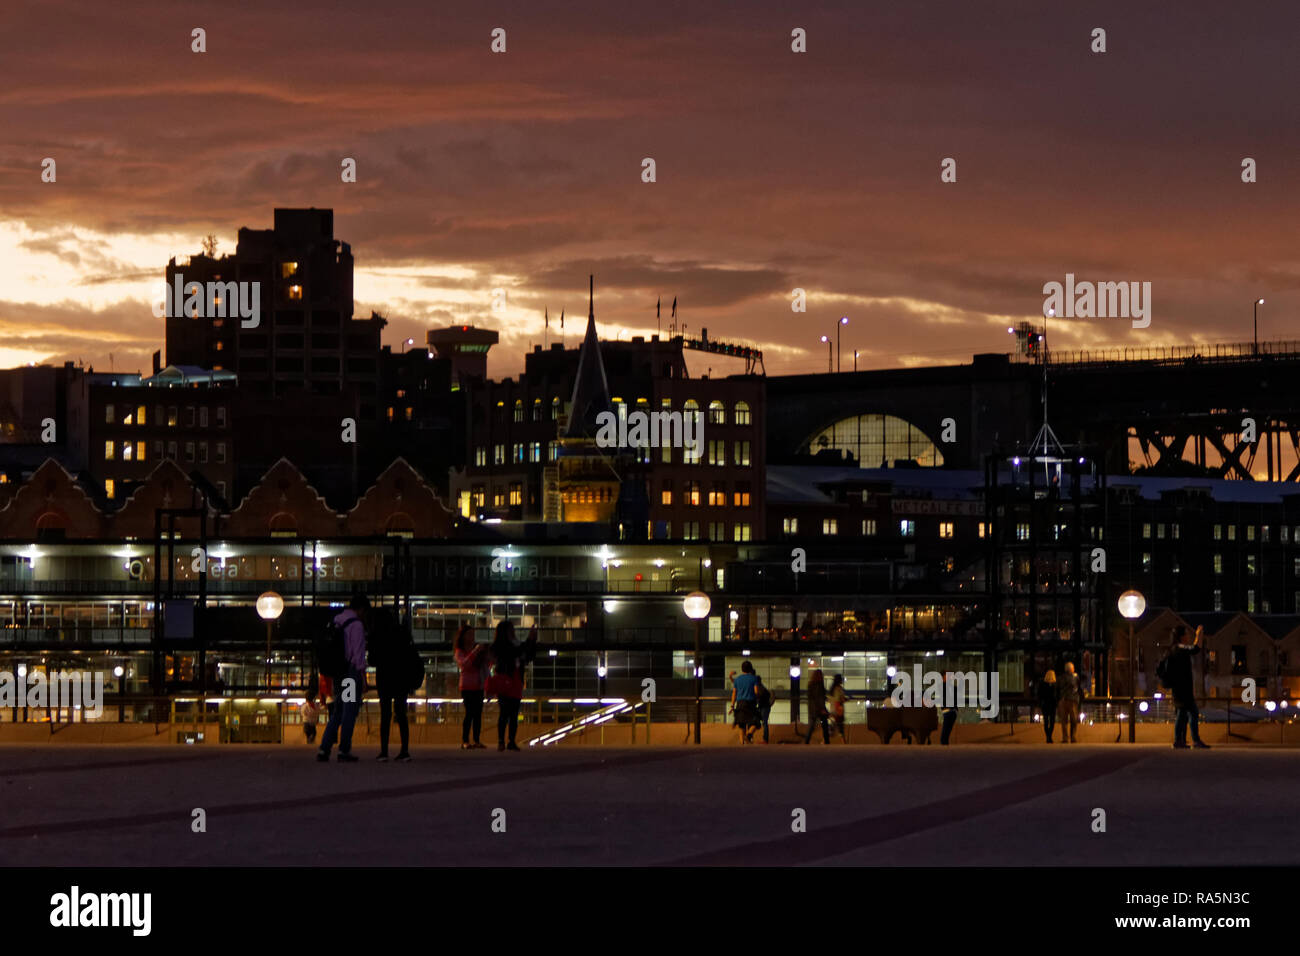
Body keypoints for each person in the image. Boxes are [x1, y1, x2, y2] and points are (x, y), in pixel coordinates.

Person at [317, 593, 369, 763]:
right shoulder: (356, 625)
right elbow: (358, 655)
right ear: (361, 609)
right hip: (350, 674)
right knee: (349, 711)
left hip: (338, 672)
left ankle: (324, 748)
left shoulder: (337, 620)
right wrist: (364, 678)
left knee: (338, 711)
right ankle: (344, 750)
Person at [488, 620, 537, 751]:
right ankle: (502, 741)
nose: (513, 631)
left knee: (513, 713)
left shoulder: (515, 644)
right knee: (505, 712)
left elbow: (528, 655)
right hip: (505, 680)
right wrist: (529, 639)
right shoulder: (501, 646)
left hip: (516, 680)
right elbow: (515, 652)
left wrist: (532, 641)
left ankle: (510, 741)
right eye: (511, 629)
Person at [371, 607, 412, 763]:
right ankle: (404, 750)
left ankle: (384, 751)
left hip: (384, 678)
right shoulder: (401, 631)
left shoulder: (377, 635)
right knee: (401, 714)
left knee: (385, 714)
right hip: (401, 677)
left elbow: (372, 660)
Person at [1166, 624, 1210, 749]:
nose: (1188, 636)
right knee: (1193, 712)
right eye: (1186, 634)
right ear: (1181, 636)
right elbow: (1195, 649)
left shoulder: (1174, 649)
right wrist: (1199, 635)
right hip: (1183, 689)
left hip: (1178, 688)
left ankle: (1179, 740)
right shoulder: (1180, 648)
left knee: (1182, 714)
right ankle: (1193, 740)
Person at [454, 623, 488, 750]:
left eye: (473, 634)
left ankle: (477, 740)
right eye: (469, 634)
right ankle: (465, 740)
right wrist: (475, 651)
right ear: (463, 636)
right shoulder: (460, 651)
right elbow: (464, 664)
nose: (471, 637)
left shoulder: (476, 649)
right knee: (469, 713)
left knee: (478, 714)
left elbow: (485, 664)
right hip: (467, 686)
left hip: (479, 685)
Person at [730, 660, 760, 744]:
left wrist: (732, 705)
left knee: (741, 725)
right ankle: (749, 734)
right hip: (751, 703)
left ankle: (742, 744)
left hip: (740, 703)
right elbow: (756, 691)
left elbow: (734, 693)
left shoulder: (737, 679)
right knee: (755, 722)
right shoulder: (754, 678)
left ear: (742, 669)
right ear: (750, 669)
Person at [803, 668, 830, 744]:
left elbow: (812, 697)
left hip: (813, 709)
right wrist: (822, 708)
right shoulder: (819, 685)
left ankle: (806, 741)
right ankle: (827, 741)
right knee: (824, 725)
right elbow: (819, 698)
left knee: (811, 726)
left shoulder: (811, 685)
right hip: (819, 708)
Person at [1057, 661, 1081, 743]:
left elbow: (1058, 687)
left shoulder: (1061, 678)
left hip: (1063, 700)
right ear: (1071, 669)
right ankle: (1073, 737)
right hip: (1072, 700)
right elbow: (1078, 686)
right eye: (1073, 668)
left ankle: (1065, 738)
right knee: (1073, 720)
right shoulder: (1075, 677)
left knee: (1064, 721)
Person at [1037, 669, 1059, 743]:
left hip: (1045, 704)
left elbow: (1039, 694)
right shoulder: (1055, 685)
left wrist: (1040, 703)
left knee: (1046, 721)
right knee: (1052, 722)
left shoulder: (1042, 684)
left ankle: (1048, 737)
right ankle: (1049, 736)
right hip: (1052, 705)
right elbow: (1057, 695)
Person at [828, 673, 849, 743]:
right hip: (838, 709)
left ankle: (825, 740)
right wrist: (844, 699)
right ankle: (843, 741)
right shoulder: (838, 689)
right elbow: (838, 700)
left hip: (833, 709)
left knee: (833, 726)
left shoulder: (832, 689)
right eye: (841, 679)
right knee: (840, 726)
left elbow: (830, 699)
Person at [754, 674, 774, 744]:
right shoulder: (762, 687)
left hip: (763, 707)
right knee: (764, 722)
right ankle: (765, 739)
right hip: (765, 707)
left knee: (764, 722)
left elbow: (758, 697)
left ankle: (765, 739)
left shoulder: (759, 688)